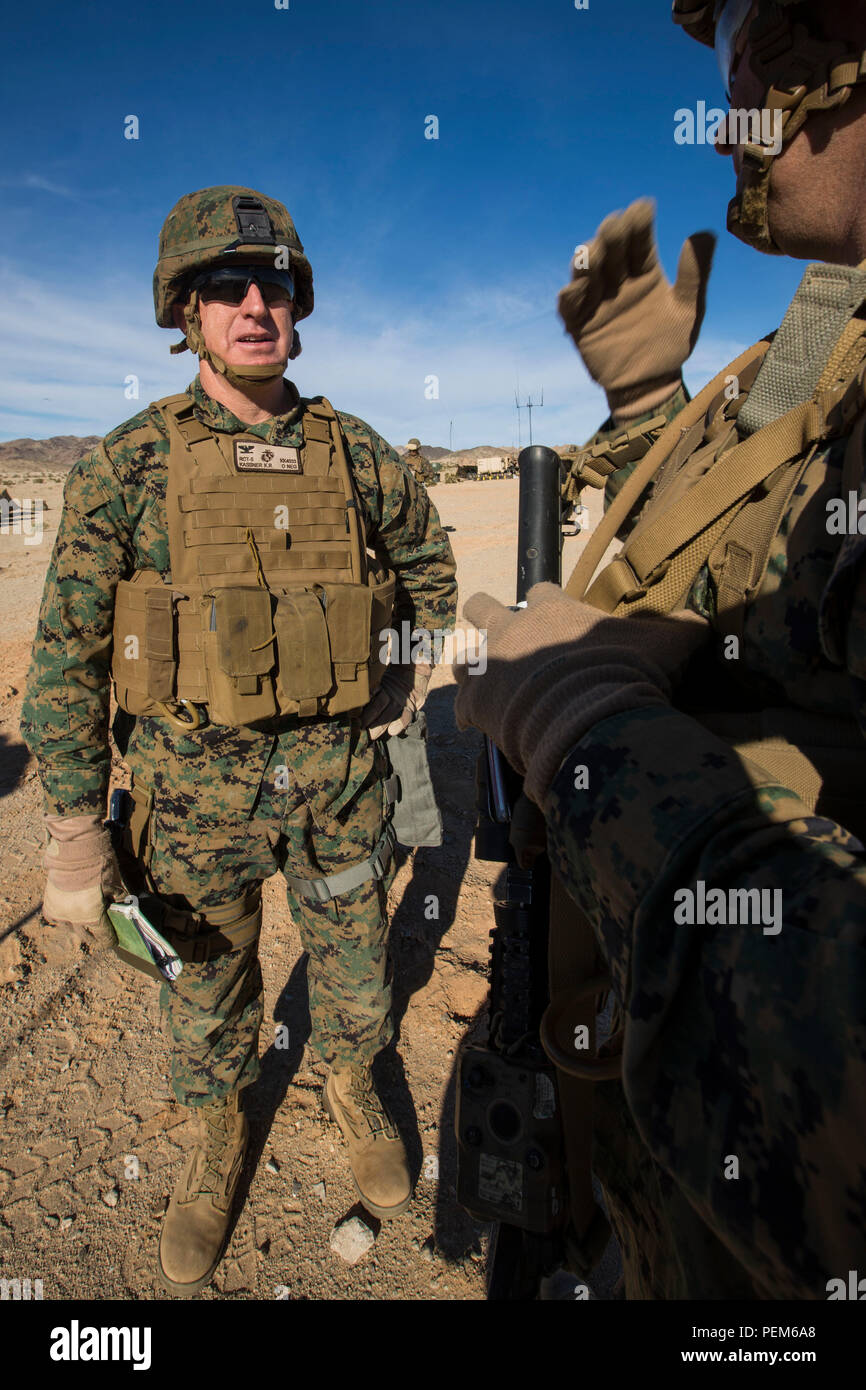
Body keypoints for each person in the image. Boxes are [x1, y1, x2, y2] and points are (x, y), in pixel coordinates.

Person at [454, 0, 866, 1300]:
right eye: (732, 35)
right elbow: (721, 529)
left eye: (788, 21)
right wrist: (643, 405)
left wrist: (594, 746)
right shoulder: (826, 319)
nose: (745, 83)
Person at [20, 185, 457, 1297]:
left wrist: (389, 680)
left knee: (355, 972)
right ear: (186, 310)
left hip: (338, 789)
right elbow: (67, 652)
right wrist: (75, 826)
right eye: (226, 284)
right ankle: (219, 1131)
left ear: (298, 304)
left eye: (274, 282)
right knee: (204, 990)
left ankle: (351, 1082)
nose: (254, 301)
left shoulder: (355, 452)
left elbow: (428, 573)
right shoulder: (128, 462)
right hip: (189, 800)